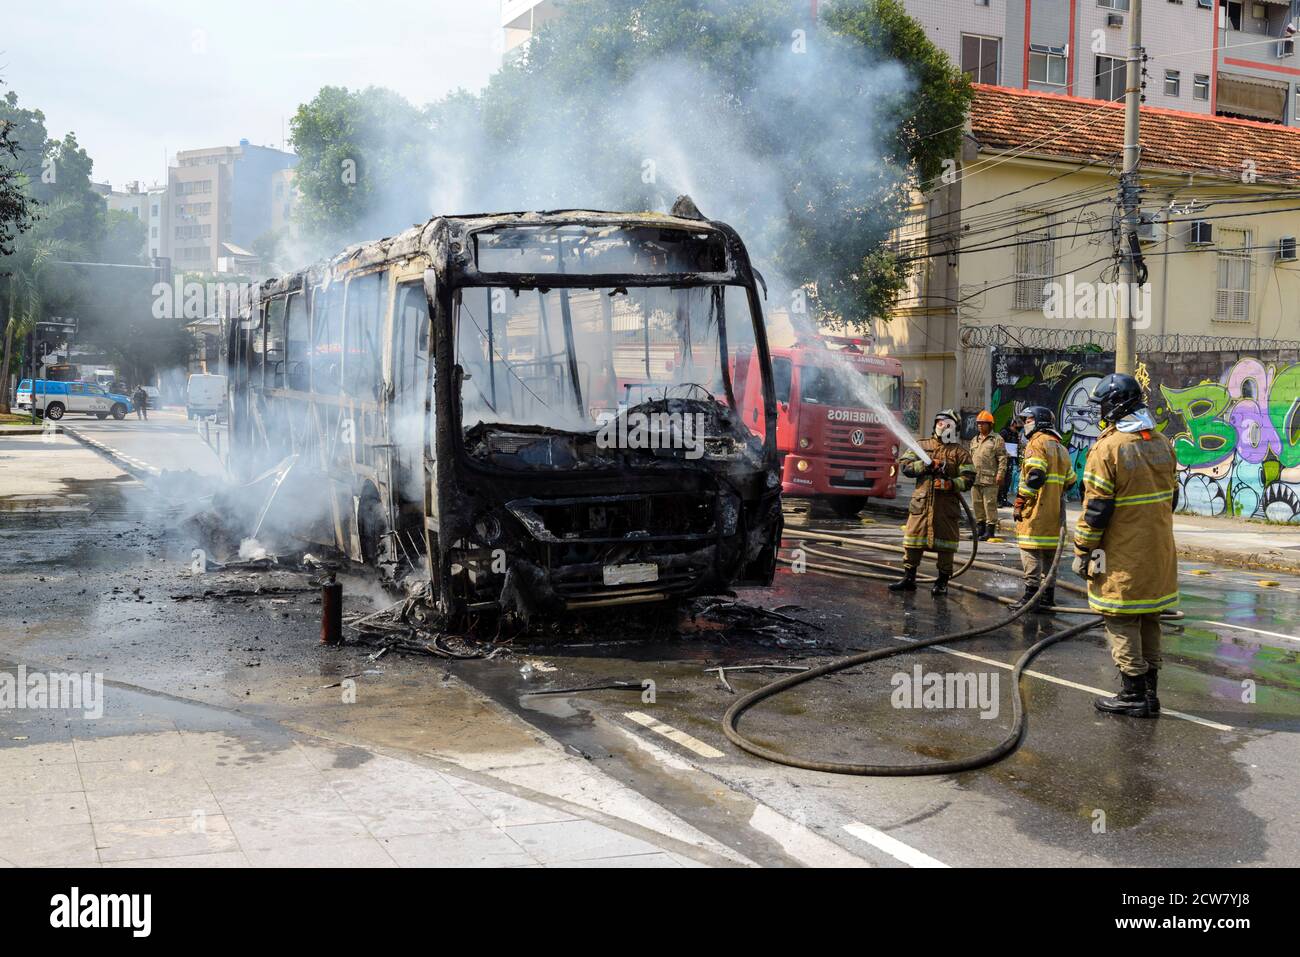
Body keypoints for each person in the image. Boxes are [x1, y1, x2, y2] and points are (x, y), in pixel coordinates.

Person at [1073, 373, 1179, 718]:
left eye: (1103, 403)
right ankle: (1150, 693)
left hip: (1123, 553)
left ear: (1117, 405)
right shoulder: (1162, 442)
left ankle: (1132, 693)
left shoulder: (1109, 448)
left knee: (1119, 618)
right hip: (1159, 551)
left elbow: (1097, 509)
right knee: (1150, 616)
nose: (1101, 410)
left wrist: (1082, 550)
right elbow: (1172, 498)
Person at [889, 409, 975, 596]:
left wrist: (950, 484)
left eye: (946, 423)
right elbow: (905, 466)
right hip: (921, 504)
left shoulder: (959, 452)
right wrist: (925, 465)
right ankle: (909, 578)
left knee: (946, 545)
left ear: (954, 428)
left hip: (946, 508)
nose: (941, 425)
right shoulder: (921, 445)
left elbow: (969, 479)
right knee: (912, 542)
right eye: (939, 421)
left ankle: (942, 581)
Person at [1010, 406, 1076, 612]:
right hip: (1054, 515)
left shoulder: (1036, 443)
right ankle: (1047, 597)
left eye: (1028, 419)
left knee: (1030, 551)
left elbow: (1035, 476)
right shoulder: (1061, 447)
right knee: (1049, 555)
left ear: (1039, 421)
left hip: (1035, 511)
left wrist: (1021, 501)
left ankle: (1031, 597)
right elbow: (1071, 481)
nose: (1025, 424)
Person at [969, 409, 1007, 540]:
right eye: (978, 423)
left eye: (983, 423)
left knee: (989, 505)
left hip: (990, 478)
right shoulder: (975, 439)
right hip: (975, 478)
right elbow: (971, 457)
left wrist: (1000, 474)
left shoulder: (997, 440)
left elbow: (1002, 458)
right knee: (977, 504)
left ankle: (990, 531)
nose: (980, 425)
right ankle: (980, 530)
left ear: (990, 425)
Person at [998, 417, 1023, 506]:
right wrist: (1004, 453)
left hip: (1011, 459)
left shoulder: (1015, 434)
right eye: (1015, 427)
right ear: (1011, 425)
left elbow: (1015, 448)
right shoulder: (1004, 432)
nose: (1017, 429)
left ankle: (1004, 498)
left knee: (1008, 479)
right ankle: (999, 499)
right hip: (1003, 459)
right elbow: (999, 445)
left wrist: (1017, 461)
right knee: (1002, 479)